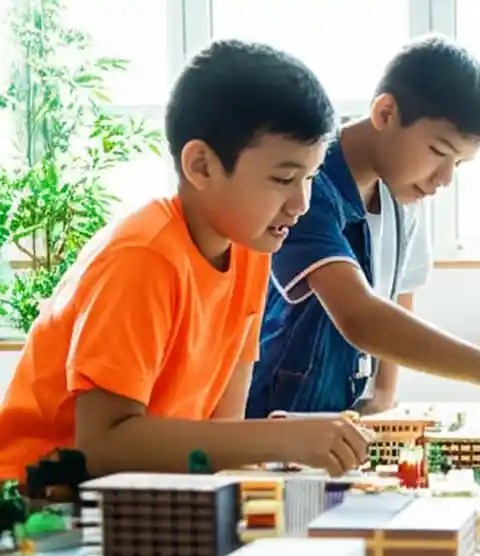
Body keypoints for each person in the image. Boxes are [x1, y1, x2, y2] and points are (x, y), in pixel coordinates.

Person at [0, 40, 371, 479]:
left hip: (144, 496)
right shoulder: (143, 258)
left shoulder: (250, 249)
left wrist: (280, 446)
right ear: (201, 166)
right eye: (283, 178)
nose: (301, 204)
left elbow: (222, 431)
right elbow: (101, 446)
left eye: (309, 178)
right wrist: (281, 438)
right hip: (39, 502)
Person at [247, 34, 480, 435]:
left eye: (458, 163)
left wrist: (384, 392)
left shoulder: (403, 195)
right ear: (386, 112)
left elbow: (399, 292)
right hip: (271, 421)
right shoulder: (309, 185)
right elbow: (360, 315)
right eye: (439, 152)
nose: (444, 178)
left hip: (337, 421)